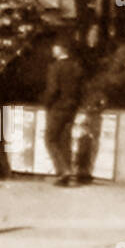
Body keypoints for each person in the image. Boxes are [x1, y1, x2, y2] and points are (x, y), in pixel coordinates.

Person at [43, 42, 85, 185]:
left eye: (54, 48)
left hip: (58, 107)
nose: (52, 50)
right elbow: (80, 89)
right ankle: (65, 176)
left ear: (60, 50)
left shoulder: (55, 67)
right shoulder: (76, 66)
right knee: (65, 140)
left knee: (50, 139)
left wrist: (47, 102)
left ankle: (63, 170)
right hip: (72, 107)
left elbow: (53, 90)